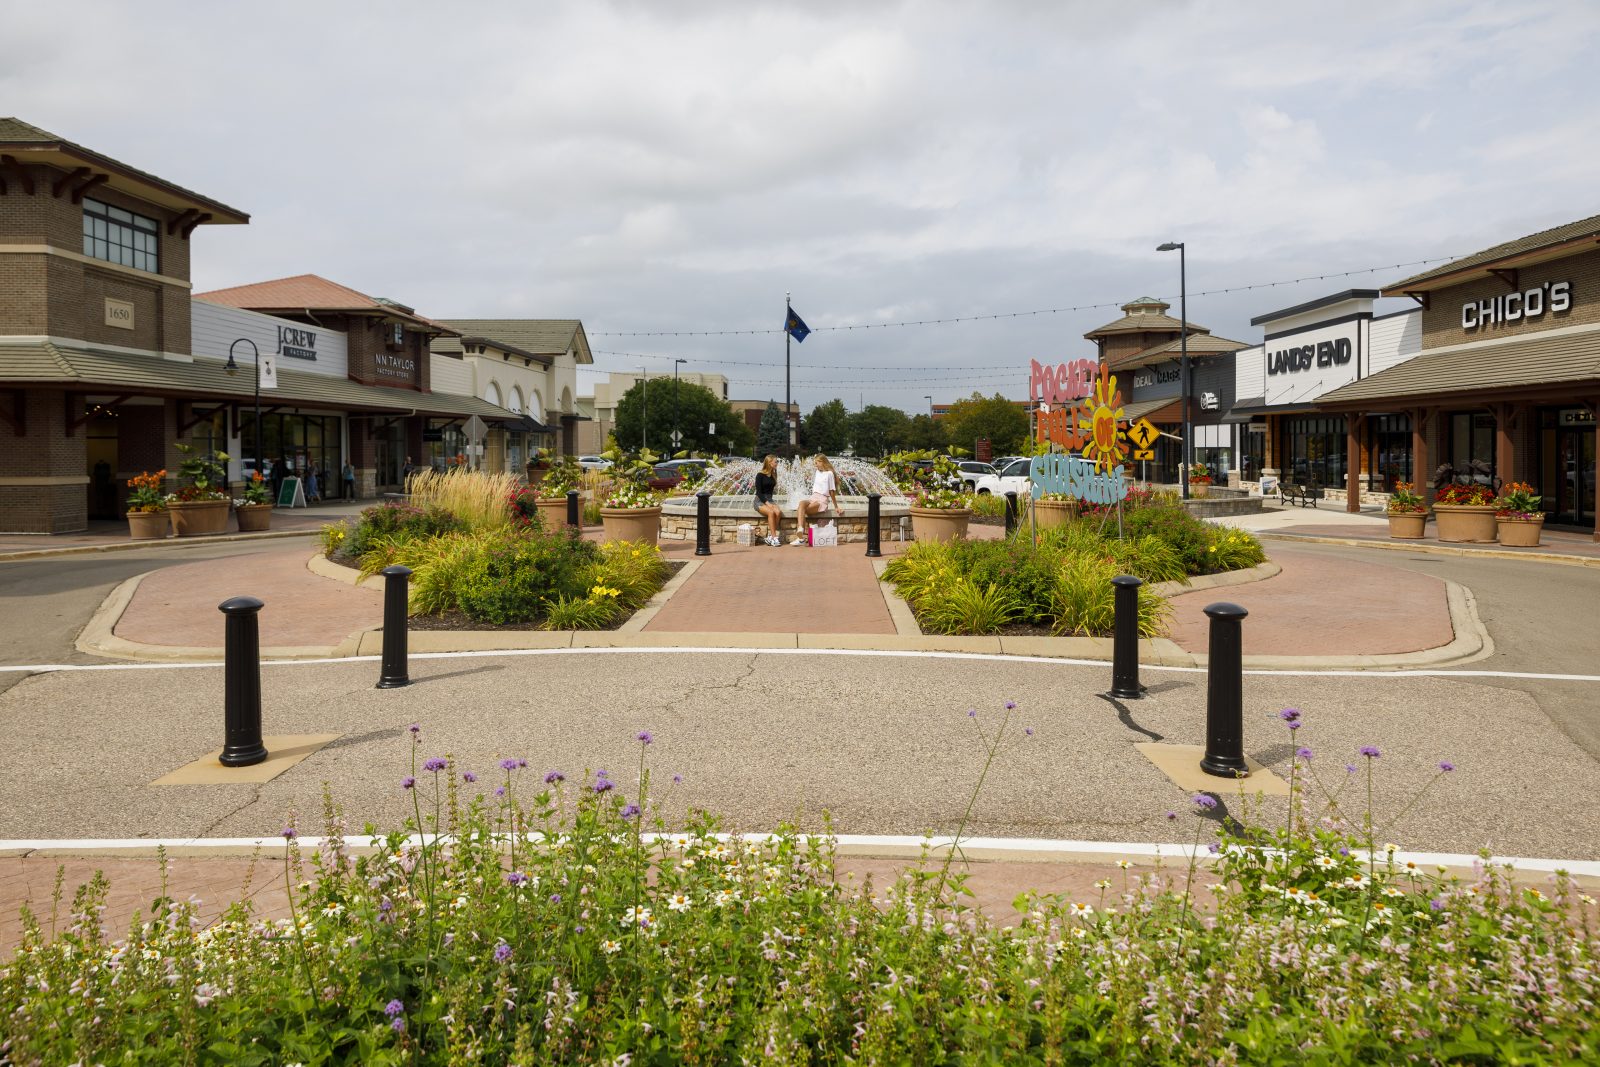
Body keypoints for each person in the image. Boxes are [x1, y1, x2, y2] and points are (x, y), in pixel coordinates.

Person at [793, 453, 839, 545]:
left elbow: (832, 492)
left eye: (817, 462)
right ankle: (800, 530)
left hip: (822, 500)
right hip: (813, 497)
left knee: (801, 510)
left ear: (822, 462)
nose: (815, 464)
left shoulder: (829, 474)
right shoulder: (817, 472)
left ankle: (800, 539)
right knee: (801, 503)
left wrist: (836, 507)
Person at [753, 455, 782, 546]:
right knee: (771, 513)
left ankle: (770, 536)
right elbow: (759, 492)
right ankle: (774, 538)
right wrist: (767, 503)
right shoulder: (760, 475)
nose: (777, 463)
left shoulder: (773, 474)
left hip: (769, 499)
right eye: (775, 462)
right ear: (769, 463)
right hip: (759, 500)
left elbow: (770, 491)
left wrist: (770, 502)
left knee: (778, 512)